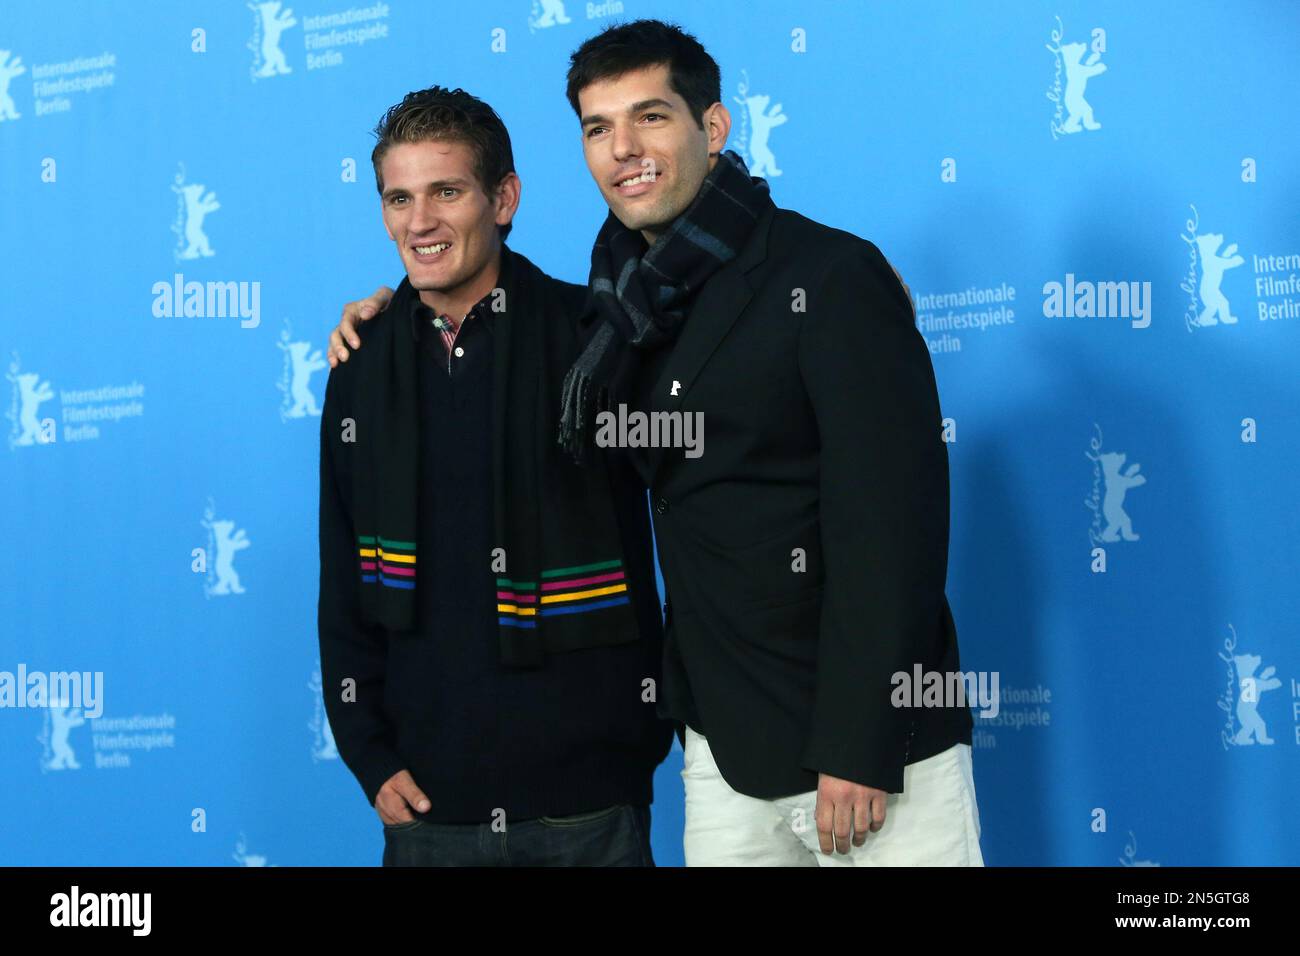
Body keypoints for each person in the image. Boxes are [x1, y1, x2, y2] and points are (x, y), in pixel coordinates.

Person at [329, 21, 982, 867]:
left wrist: (860, 740)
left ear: (712, 128)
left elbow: (893, 528)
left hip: (867, 749)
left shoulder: (828, 276)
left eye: (650, 118)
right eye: (599, 129)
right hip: (720, 745)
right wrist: (378, 326)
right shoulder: (624, 317)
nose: (624, 149)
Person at [317, 85, 674, 867]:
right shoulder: (359, 366)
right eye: (399, 198)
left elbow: (699, 528)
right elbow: (342, 576)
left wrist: (637, 741)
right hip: (427, 809)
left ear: (503, 198)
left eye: (447, 191)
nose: (420, 222)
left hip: (588, 804)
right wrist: (367, 755)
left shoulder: (597, 338)